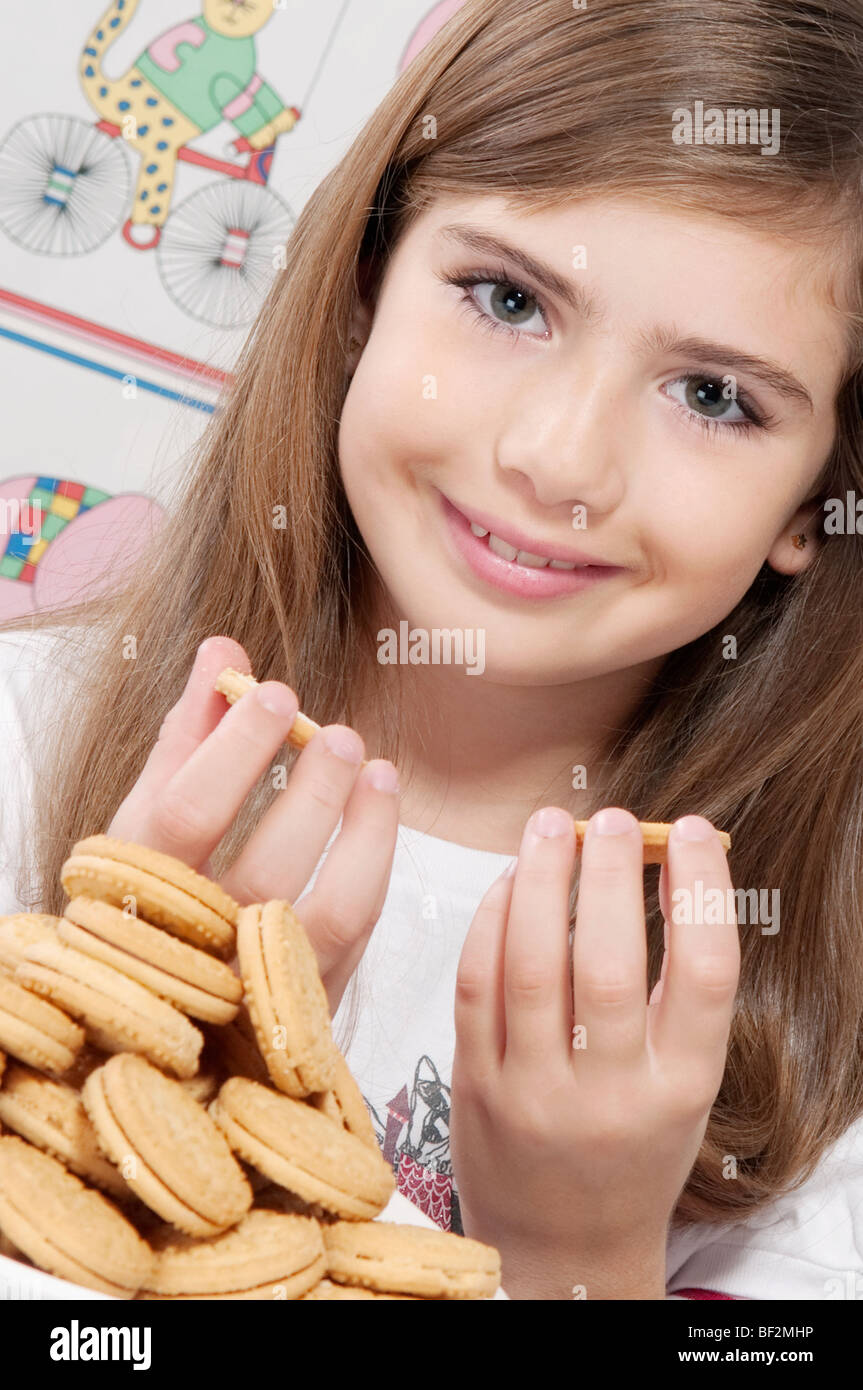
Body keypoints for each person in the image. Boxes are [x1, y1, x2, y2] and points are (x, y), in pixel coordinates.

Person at [1, 0, 862, 1300]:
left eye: (713, 395)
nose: (558, 459)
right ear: (365, 284)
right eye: (508, 299)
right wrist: (129, 1108)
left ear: (815, 500)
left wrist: (577, 1254)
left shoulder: (821, 985)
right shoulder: (31, 737)